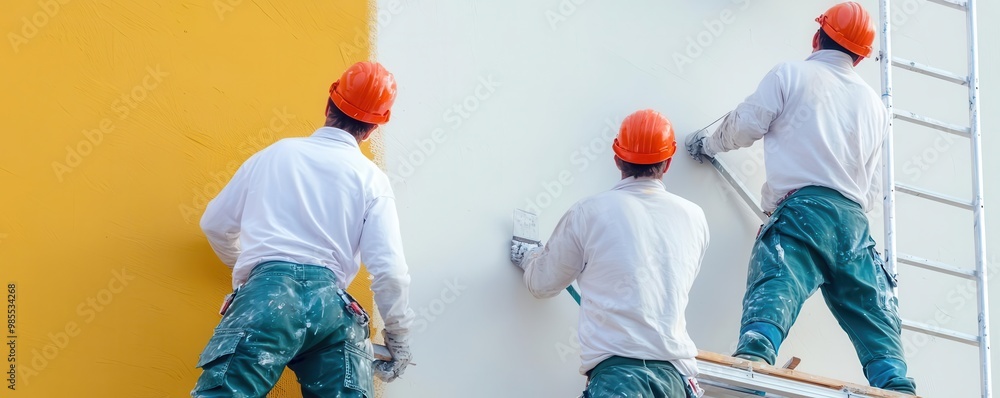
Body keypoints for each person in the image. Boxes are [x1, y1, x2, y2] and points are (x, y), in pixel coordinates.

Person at [685, 2, 916, 394]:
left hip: (804, 210)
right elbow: (872, 191)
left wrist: (706, 143)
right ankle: (895, 382)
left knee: (778, 277)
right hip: (853, 221)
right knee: (870, 306)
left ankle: (755, 356)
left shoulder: (791, 74)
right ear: (860, 57)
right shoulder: (876, 108)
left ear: (817, 35)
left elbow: (744, 126)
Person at [192, 61, 416, 397]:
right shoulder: (372, 179)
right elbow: (391, 272)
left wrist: (259, 277)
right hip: (333, 308)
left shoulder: (274, 155)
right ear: (372, 129)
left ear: (329, 105)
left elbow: (214, 224)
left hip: (266, 296)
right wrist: (397, 338)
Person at [511, 109, 709, 398]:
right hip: (675, 381)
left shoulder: (590, 212)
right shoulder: (695, 217)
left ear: (617, 158)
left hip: (621, 380)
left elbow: (542, 284)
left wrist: (530, 256)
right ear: (668, 163)